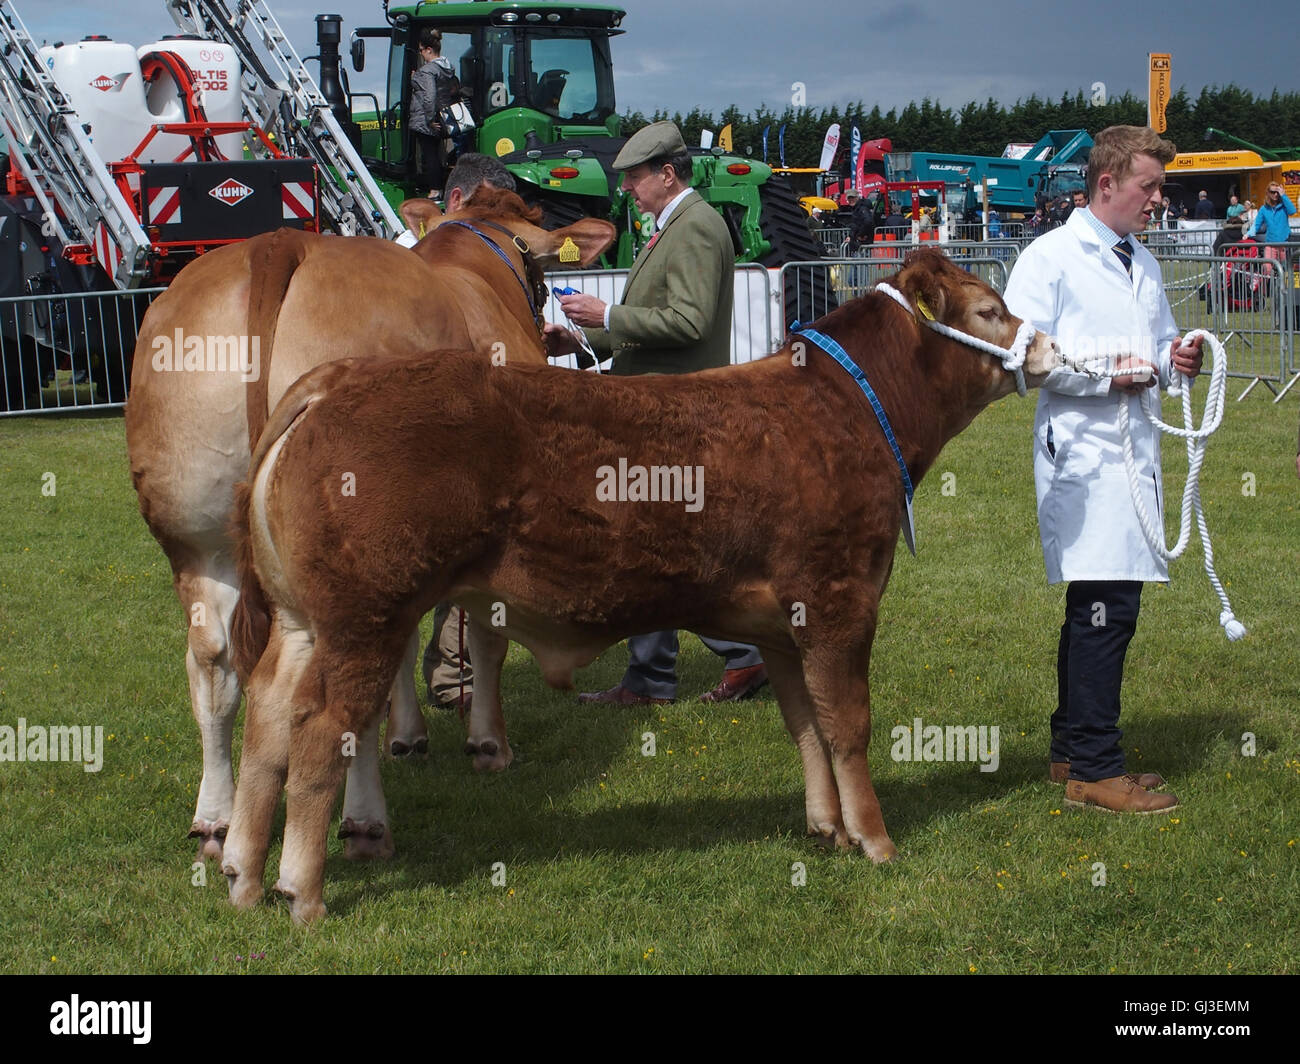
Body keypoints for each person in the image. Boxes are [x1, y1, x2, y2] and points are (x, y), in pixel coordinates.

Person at [1002, 125, 1204, 815]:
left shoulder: (1141, 262)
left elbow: (1157, 343)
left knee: (1101, 609)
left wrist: (1177, 360)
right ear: (1107, 183)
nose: (1158, 199)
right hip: (1084, 458)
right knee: (1104, 611)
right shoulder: (1050, 257)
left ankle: (1071, 750)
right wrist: (1104, 379)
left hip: (1133, 455)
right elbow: (1021, 358)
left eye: (1161, 188)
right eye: (1149, 186)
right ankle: (1095, 767)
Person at [545, 121, 768, 706]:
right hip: (662, 412)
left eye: (634, 178)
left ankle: (726, 660)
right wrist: (582, 342)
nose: (626, 190)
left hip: (669, 419)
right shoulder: (680, 224)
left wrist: (608, 316)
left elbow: (687, 322)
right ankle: (691, 669)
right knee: (659, 552)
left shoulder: (693, 228)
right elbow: (660, 326)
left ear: (667, 174)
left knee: (657, 554)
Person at [417, 154, 519, 710]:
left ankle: (416, 693)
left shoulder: (399, 250)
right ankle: (453, 677)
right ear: (458, 202)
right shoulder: (464, 262)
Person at [408, 28, 459, 198]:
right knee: (438, 154)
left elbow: (429, 96)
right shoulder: (448, 68)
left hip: (425, 119)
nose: (421, 54)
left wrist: (429, 120)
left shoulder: (428, 70)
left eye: (421, 50)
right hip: (443, 115)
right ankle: (440, 187)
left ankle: (435, 190)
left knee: (429, 156)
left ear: (429, 50)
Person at [1245, 181, 1296, 272]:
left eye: (1277, 192)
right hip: (1270, 244)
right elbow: (1257, 224)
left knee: (1286, 269)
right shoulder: (1264, 209)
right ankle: (1270, 286)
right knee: (1267, 268)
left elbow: (1292, 211)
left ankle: (1284, 286)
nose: (1275, 194)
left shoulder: (1284, 206)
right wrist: (1247, 234)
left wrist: (1283, 195)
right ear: (1268, 193)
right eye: (1273, 192)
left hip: (1284, 243)